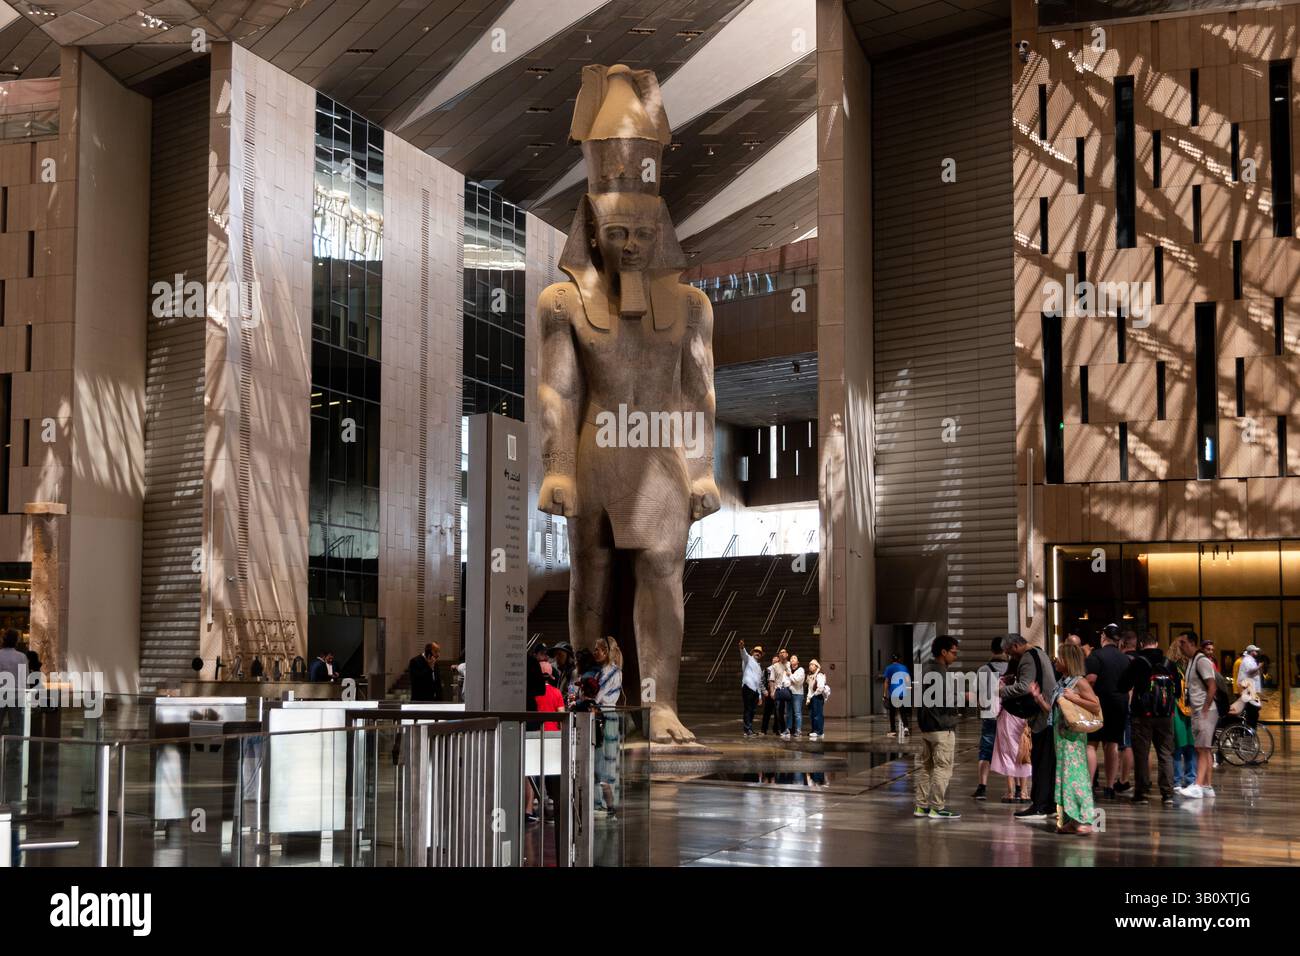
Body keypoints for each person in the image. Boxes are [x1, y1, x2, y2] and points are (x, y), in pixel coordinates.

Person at [1029, 643, 1101, 835]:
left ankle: (1084, 820)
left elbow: (1095, 705)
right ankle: (1071, 819)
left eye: (1059, 658)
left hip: (1073, 739)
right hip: (1059, 738)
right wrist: (1039, 699)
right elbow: (1056, 712)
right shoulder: (1063, 682)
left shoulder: (1079, 682)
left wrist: (1075, 698)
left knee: (1075, 777)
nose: (1056, 661)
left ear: (1068, 661)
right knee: (1063, 779)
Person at [1000, 633, 1058, 820]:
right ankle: (1047, 803)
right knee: (1047, 762)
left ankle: (1039, 805)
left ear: (1016, 645)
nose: (1010, 656)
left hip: (1041, 716)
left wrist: (1001, 691)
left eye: (1010, 652)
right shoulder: (1039, 653)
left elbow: (1025, 686)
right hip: (1048, 714)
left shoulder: (1027, 658)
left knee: (1040, 761)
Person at [1124, 633, 1179, 807]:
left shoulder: (1138, 662)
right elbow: (1177, 691)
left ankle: (1142, 794)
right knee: (1165, 754)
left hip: (1142, 715)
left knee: (1141, 754)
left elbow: (1123, 685)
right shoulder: (1169, 663)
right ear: (1156, 643)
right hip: (1165, 716)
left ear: (1141, 644)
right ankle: (1167, 794)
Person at [913, 635, 961, 820]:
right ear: (943, 652)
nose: (955, 656)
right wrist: (962, 698)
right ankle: (937, 807)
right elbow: (945, 701)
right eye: (953, 653)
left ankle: (921, 805)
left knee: (926, 767)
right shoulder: (941, 673)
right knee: (943, 767)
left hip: (926, 727)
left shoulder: (925, 669)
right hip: (942, 728)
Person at [1084, 623, 1131, 799]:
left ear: (1103, 637)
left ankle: (1088, 785)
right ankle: (1110, 786)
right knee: (1111, 745)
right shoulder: (1125, 658)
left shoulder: (1096, 656)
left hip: (1098, 704)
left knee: (1091, 744)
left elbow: (1090, 680)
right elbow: (1128, 685)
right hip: (1119, 704)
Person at [1177, 630, 1218, 799]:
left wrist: (1204, 709)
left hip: (1204, 710)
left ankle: (1198, 785)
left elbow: (1212, 686)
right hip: (1199, 709)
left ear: (1192, 643)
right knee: (1204, 748)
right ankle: (1207, 786)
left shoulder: (1201, 661)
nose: (1181, 646)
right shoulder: (1192, 661)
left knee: (1201, 748)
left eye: (1183, 643)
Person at [973, 638, 1009, 801]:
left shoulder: (983, 670)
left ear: (992, 650)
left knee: (985, 751)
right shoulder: (1013, 667)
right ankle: (1015, 788)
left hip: (989, 714)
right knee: (1011, 751)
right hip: (1009, 717)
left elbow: (977, 694)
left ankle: (982, 788)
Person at [1172, 642, 1198, 790]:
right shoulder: (1173, 666)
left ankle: (1190, 778)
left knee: (1191, 745)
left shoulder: (1195, 665)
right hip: (1177, 709)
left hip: (1192, 708)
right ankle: (1176, 780)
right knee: (1178, 745)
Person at [882, 653, 911, 737]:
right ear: (899, 659)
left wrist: (884, 694)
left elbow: (886, 681)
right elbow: (908, 680)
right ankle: (906, 728)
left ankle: (893, 730)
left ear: (892, 659)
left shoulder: (889, 668)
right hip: (903, 692)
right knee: (903, 711)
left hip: (894, 693)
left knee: (892, 712)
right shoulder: (904, 667)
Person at [738, 641, 763, 737]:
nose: (758, 653)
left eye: (759, 653)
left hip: (755, 690)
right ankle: (747, 729)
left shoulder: (759, 667)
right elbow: (743, 654)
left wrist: (760, 695)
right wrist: (742, 647)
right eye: (756, 651)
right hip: (748, 687)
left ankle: (750, 728)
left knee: (752, 710)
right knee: (748, 709)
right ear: (752, 652)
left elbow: (759, 682)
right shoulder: (748, 659)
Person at [1236, 644, 1264, 727]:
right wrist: (1259, 666)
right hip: (1248, 689)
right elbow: (1250, 671)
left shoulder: (1250, 659)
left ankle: (1250, 729)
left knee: (1252, 710)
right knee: (1253, 710)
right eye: (1255, 651)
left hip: (1250, 688)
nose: (1256, 652)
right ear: (1251, 652)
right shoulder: (1247, 660)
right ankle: (1250, 729)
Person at [805, 659, 828, 739]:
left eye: (812, 665)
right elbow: (809, 689)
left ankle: (819, 731)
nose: (810, 666)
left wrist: (814, 696)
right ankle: (814, 730)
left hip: (817, 696)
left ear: (816, 666)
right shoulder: (810, 676)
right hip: (812, 697)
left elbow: (820, 687)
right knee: (812, 715)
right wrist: (808, 698)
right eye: (809, 665)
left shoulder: (820, 675)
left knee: (817, 714)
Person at [761, 653, 782, 735]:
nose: (775, 660)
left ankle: (777, 729)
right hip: (769, 693)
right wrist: (764, 691)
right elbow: (761, 681)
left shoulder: (781, 670)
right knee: (767, 712)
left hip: (778, 693)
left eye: (777, 659)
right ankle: (763, 730)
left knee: (778, 712)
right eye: (774, 658)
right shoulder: (766, 670)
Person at [774, 649, 793, 739]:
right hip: (779, 689)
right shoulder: (776, 665)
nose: (782, 654)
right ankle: (782, 729)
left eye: (784, 652)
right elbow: (772, 679)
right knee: (779, 711)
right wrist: (772, 690)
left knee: (790, 711)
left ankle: (790, 729)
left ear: (787, 654)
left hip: (789, 689)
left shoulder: (790, 664)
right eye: (780, 652)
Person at [786, 654, 806, 738]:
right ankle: (788, 729)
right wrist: (791, 682)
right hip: (789, 693)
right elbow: (785, 682)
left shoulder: (801, 670)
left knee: (797, 713)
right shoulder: (788, 669)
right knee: (788, 713)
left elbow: (798, 681)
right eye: (791, 658)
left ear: (798, 661)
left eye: (794, 658)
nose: (792, 659)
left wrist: (790, 675)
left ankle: (798, 730)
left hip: (798, 694)